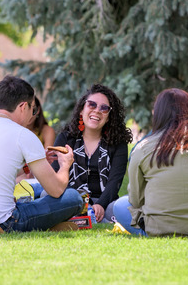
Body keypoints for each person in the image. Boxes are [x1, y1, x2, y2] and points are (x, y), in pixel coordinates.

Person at [0, 75, 83, 234]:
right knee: (73, 198)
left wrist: (28, 166)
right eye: (33, 109)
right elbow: (55, 190)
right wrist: (65, 165)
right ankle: (44, 226)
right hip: (1, 223)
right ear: (23, 106)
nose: (33, 114)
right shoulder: (23, 134)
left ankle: (43, 227)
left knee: (27, 198)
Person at [114, 88, 188, 236]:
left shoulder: (142, 148)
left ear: (158, 113)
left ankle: (150, 233)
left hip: (161, 228)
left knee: (120, 205)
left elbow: (135, 200)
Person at [53, 84, 132, 223]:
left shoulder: (118, 144)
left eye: (104, 108)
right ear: (81, 110)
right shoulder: (66, 138)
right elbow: (55, 174)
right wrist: (82, 204)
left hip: (104, 203)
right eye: (92, 105)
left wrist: (100, 204)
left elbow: (115, 181)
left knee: (123, 207)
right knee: (46, 195)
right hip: (71, 200)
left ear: (109, 116)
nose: (97, 111)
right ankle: (85, 218)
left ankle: (83, 220)